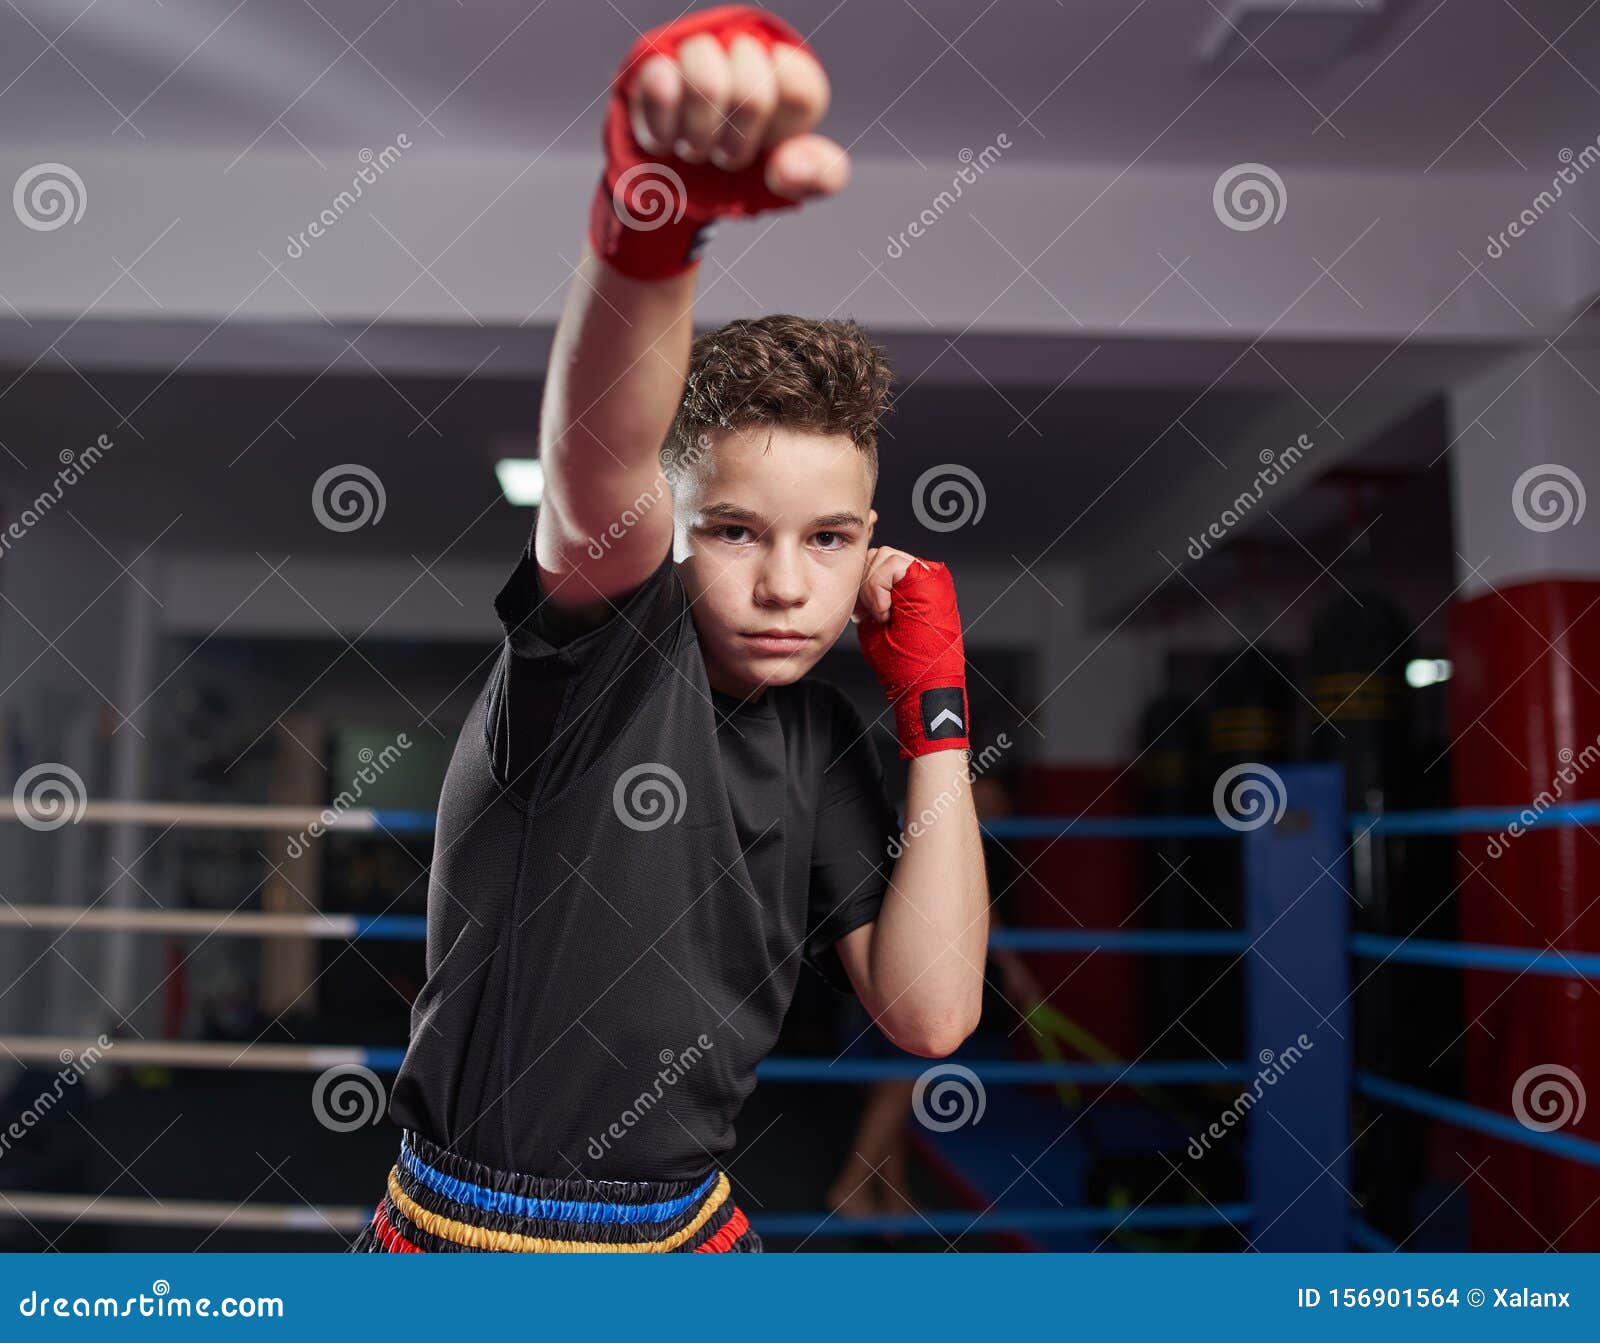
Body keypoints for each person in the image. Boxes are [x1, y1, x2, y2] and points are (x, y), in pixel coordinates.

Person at [349, 4, 989, 1254]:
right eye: (736, 531)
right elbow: (595, 463)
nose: (786, 587)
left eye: (830, 538)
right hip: (475, 1241)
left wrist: (938, 714)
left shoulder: (817, 734)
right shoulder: (603, 657)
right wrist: (652, 230)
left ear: (872, 542)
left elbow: (929, 1013)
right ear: (675, 527)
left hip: (694, 1234)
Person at [825, 769, 1040, 1230]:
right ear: (981, 786)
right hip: (889, 964)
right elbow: (978, 909)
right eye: (998, 805)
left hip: (871, 958)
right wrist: (1014, 967)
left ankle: (893, 1194)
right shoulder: (932, 820)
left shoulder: (917, 816)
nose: (999, 817)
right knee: (903, 1078)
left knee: (894, 1080)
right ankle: (850, 1184)